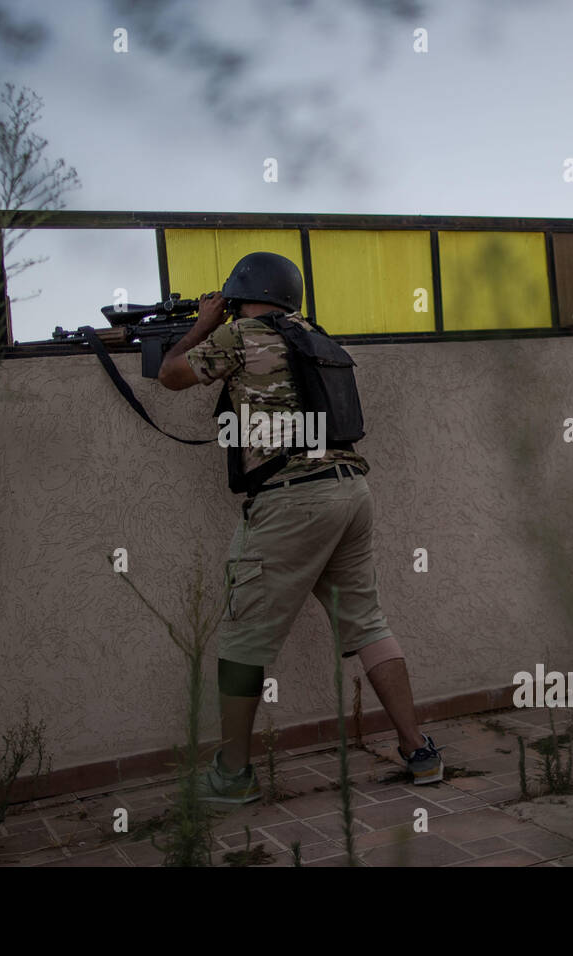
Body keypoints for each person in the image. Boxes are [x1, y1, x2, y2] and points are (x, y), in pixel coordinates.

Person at [157, 251, 443, 804]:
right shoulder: (317, 337)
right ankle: (419, 752)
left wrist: (202, 325)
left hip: (293, 500)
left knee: (243, 639)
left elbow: (171, 374)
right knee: (368, 623)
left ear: (240, 294)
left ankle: (232, 776)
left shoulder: (241, 336)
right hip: (350, 489)